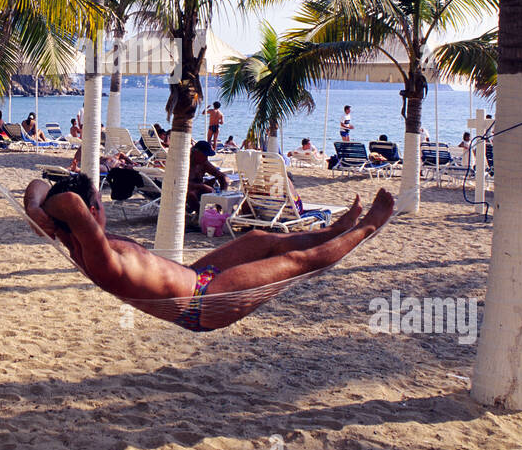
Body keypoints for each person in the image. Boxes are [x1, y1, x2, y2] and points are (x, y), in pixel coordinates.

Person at [24, 174, 394, 332]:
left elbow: (39, 185)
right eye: (98, 205)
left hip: (198, 276)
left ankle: (333, 231)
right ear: (91, 214)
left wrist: (38, 210)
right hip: (205, 303)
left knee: (260, 239)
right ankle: (367, 229)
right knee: (296, 264)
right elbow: (72, 203)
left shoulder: (80, 239)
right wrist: (44, 213)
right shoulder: (97, 257)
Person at [187, 140, 229, 213]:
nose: (206, 158)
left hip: (198, 188)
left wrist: (223, 191)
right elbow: (181, 183)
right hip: (187, 190)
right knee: (191, 194)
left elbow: (222, 175)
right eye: (204, 155)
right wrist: (202, 186)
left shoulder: (203, 163)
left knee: (219, 180)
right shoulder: (186, 163)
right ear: (196, 153)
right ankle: (201, 213)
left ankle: (220, 207)